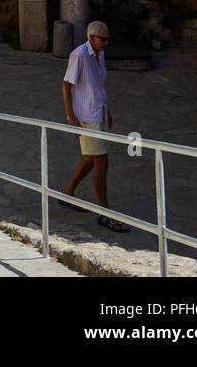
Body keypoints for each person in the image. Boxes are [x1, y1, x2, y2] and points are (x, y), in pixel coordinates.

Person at [61, 19, 129, 233]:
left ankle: (67, 191)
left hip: (97, 112)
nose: (107, 43)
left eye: (108, 39)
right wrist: (71, 117)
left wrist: (107, 110)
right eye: (104, 39)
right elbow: (66, 85)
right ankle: (105, 213)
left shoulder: (100, 55)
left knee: (91, 157)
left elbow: (98, 85)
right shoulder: (79, 55)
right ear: (92, 38)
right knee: (102, 161)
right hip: (86, 116)